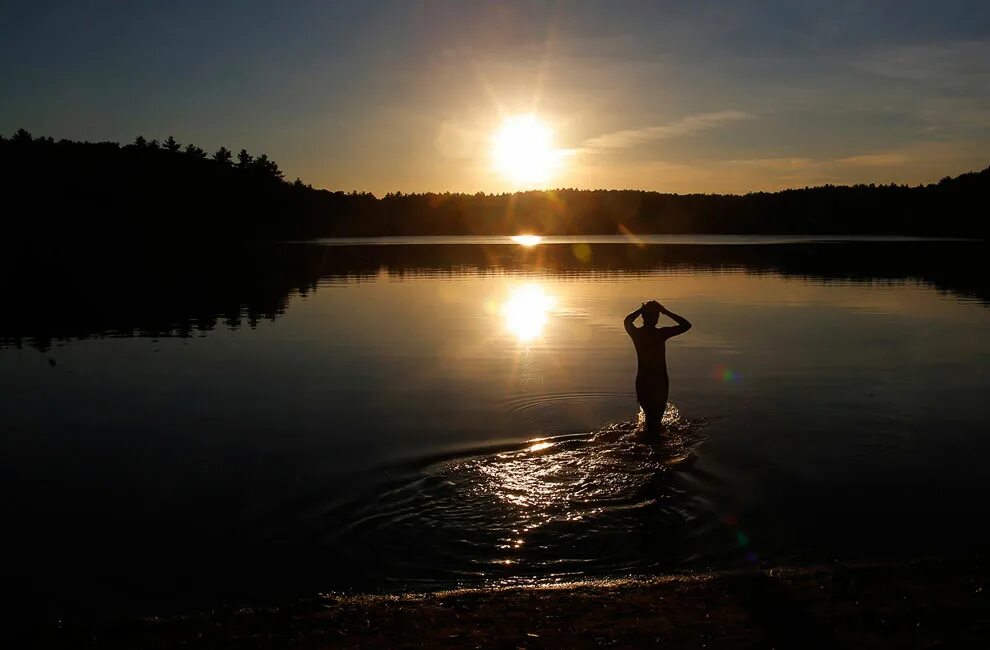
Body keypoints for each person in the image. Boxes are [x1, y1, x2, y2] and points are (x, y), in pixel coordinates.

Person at [624, 300, 692, 437]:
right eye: (658, 315)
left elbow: (627, 321)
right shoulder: (661, 334)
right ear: (657, 318)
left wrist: (640, 309)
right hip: (659, 382)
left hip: (642, 381)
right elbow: (686, 325)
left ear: (643, 317)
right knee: (655, 425)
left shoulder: (637, 334)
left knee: (649, 422)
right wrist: (665, 311)